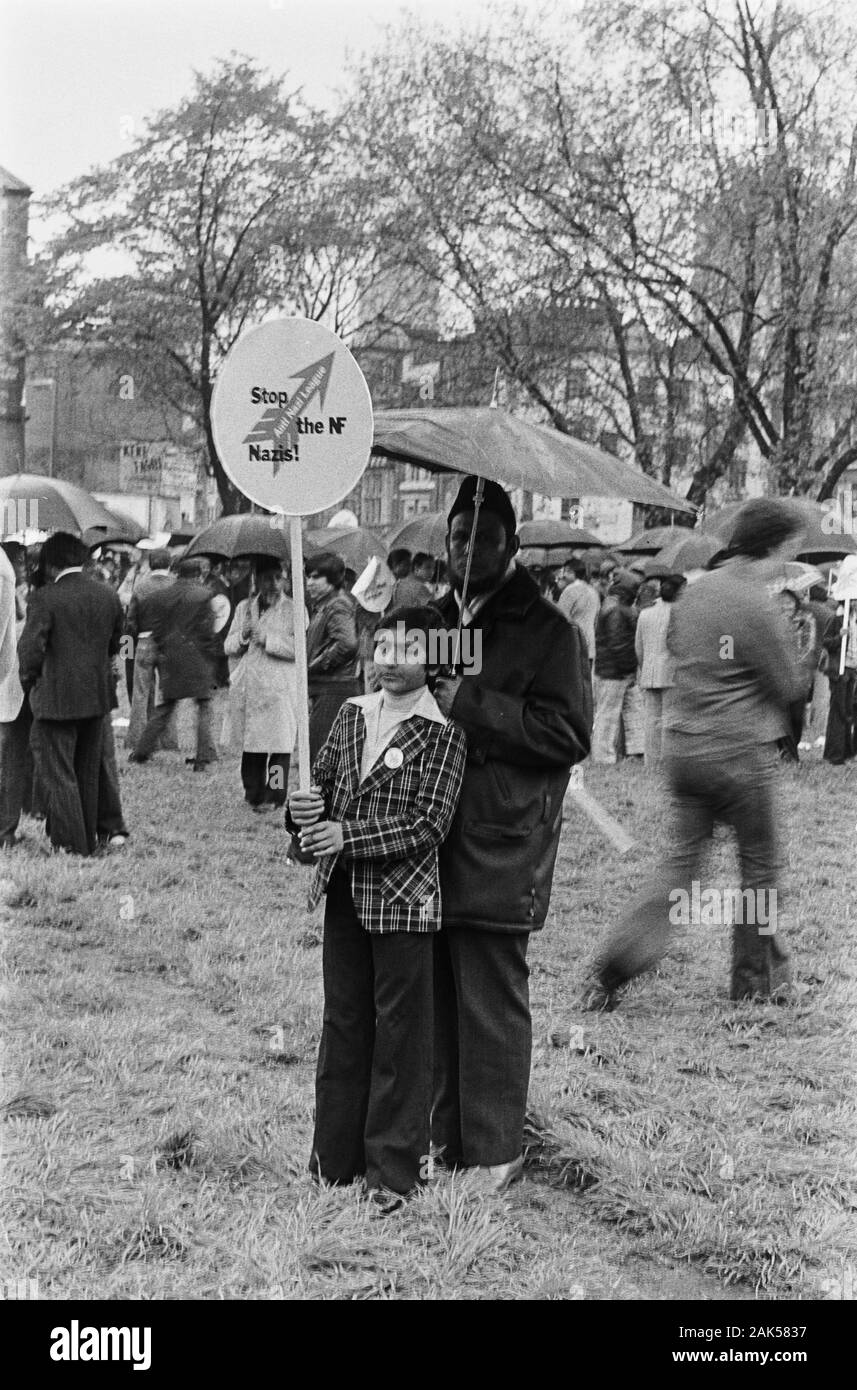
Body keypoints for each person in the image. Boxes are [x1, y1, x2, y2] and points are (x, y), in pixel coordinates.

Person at [429, 477, 592, 1191]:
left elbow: (567, 733)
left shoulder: (549, 630)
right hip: (429, 832)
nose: (471, 549)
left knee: (490, 995)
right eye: (460, 537)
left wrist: (471, 703)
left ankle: (495, 1153)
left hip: (502, 837)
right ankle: (441, 1137)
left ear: (512, 544)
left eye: (485, 537)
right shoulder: (436, 618)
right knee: (435, 989)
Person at [588, 499, 808, 1007]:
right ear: (771, 548)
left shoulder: (694, 596)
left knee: (681, 868)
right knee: (759, 869)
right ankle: (756, 985)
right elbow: (790, 685)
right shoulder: (756, 601)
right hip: (741, 753)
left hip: (686, 750)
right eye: (788, 551)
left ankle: (618, 962)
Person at [286, 606, 467, 1209]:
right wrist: (303, 811)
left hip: (403, 904)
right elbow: (326, 789)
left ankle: (393, 1172)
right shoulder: (351, 715)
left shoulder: (443, 733)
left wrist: (348, 836)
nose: (390, 660)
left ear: (436, 657)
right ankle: (332, 1162)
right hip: (344, 897)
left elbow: (428, 825)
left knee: (401, 1036)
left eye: (409, 649)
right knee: (344, 1025)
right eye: (383, 646)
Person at [18, 532, 123, 857]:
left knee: (58, 773)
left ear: (50, 565)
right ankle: (90, 839)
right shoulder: (108, 595)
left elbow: (30, 650)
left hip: (55, 699)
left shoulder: (44, 598)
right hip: (97, 698)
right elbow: (115, 643)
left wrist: (30, 680)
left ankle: (72, 846)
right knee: (87, 772)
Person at [129, 558, 219, 770]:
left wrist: (163, 645)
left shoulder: (161, 596)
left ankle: (141, 752)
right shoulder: (204, 595)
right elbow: (208, 631)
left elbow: (151, 624)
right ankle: (202, 757)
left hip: (170, 654)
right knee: (204, 707)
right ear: (198, 574)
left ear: (177, 573)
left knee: (165, 707)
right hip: (197, 655)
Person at [224, 557, 298, 810]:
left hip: (279, 688)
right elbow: (228, 646)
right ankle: (252, 791)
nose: (274, 584)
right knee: (252, 744)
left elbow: (299, 649)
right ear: (257, 580)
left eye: (278, 577)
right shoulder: (244, 608)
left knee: (279, 746)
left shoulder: (294, 610)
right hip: (251, 686)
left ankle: (274, 794)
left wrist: (267, 638)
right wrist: (243, 635)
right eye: (268, 578)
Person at [305, 551, 360, 762]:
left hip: (334, 689)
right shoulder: (324, 605)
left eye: (316, 577)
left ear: (333, 579)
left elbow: (348, 643)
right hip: (327, 688)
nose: (309, 583)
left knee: (322, 757)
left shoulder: (337, 604)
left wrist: (317, 666)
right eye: (308, 576)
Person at [124, 549, 179, 755]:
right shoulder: (176, 584)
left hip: (145, 640)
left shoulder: (141, 585)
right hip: (170, 641)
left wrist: (129, 643)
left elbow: (131, 619)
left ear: (151, 563)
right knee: (168, 692)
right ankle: (169, 739)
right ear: (169, 564)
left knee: (141, 693)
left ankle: (136, 737)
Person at [591, 568, 645, 763]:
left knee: (629, 710)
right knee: (610, 714)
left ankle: (635, 751)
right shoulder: (617, 609)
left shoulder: (612, 605)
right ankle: (604, 757)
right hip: (616, 672)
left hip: (614, 670)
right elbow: (618, 643)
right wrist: (628, 668)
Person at [635, 573, 685, 769]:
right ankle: (666, 764)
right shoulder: (679, 613)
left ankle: (651, 763)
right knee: (668, 721)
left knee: (651, 720)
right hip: (672, 673)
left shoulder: (645, 614)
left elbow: (638, 647)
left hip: (649, 671)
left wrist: (644, 667)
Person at [0, 546, 27, 849]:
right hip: (7, 687)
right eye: (20, 560)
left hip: (11, 691)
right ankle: (5, 829)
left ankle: (6, 828)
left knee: (11, 763)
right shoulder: (4, 576)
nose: (24, 566)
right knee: (10, 763)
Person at [821, 599, 857, 764]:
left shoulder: (854, 620)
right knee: (838, 711)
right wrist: (839, 637)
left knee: (848, 712)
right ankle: (834, 754)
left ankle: (845, 752)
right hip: (839, 670)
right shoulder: (836, 620)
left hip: (852, 670)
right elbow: (826, 642)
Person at [557, 556, 600, 666]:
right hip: (590, 645)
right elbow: (596, 621)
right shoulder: (593, 591)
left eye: (565, 571)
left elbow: (560, 619)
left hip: (572, 646)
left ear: (571, 572)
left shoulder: (569, 590)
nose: (563, 576)